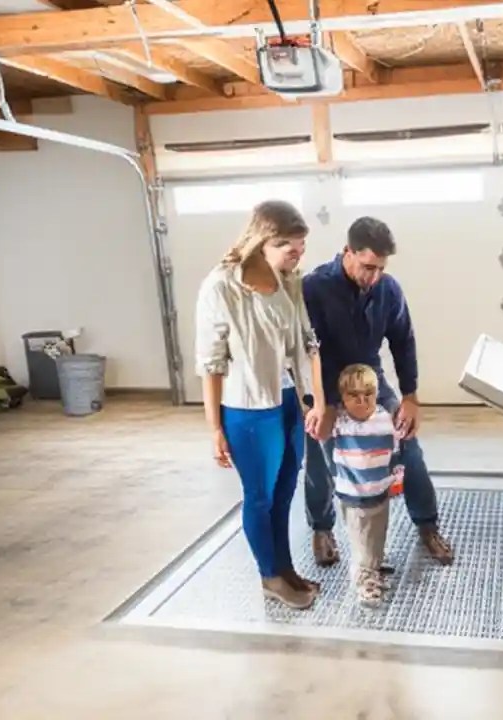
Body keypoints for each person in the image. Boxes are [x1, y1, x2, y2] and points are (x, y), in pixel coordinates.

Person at [195, 200, 327, 611]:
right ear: (266, 240)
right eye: (293, 248)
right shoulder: (222, 286)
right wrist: (214, 427)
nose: (299, 256)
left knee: (286, 490)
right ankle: (269, 576)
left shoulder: (288, 281)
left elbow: (306, 342)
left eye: (302, 248)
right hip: (248, 408)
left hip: (288, 400)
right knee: (259, 496)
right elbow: (210, 363)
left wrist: (314, 400)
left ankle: (284, 568)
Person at [302, 216, 454, 566]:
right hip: (323, 384)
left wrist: (411, 397)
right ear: (348, 252)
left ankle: (427, 525)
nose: (373, 276)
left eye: (380, 268)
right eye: (367, 266)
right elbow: (309, 351)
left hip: (370, 381)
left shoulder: (388, 289)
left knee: (408, 447)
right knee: (321, 460)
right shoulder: (313, 288)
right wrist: (322, 405)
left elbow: (403, 341)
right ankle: (322, 529)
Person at [324, 364, 403, 607]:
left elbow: (396, 452)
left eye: (367, 395)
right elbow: (318, 430)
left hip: (380, 491)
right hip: (354, 496)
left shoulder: (384, 420)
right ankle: (364, 582)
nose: (361, 401)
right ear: (343, 399)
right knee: (361, 541)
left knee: (377, 534)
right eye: (353, 396)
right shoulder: (339, 422)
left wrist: (396, 480)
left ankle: (374, 566)